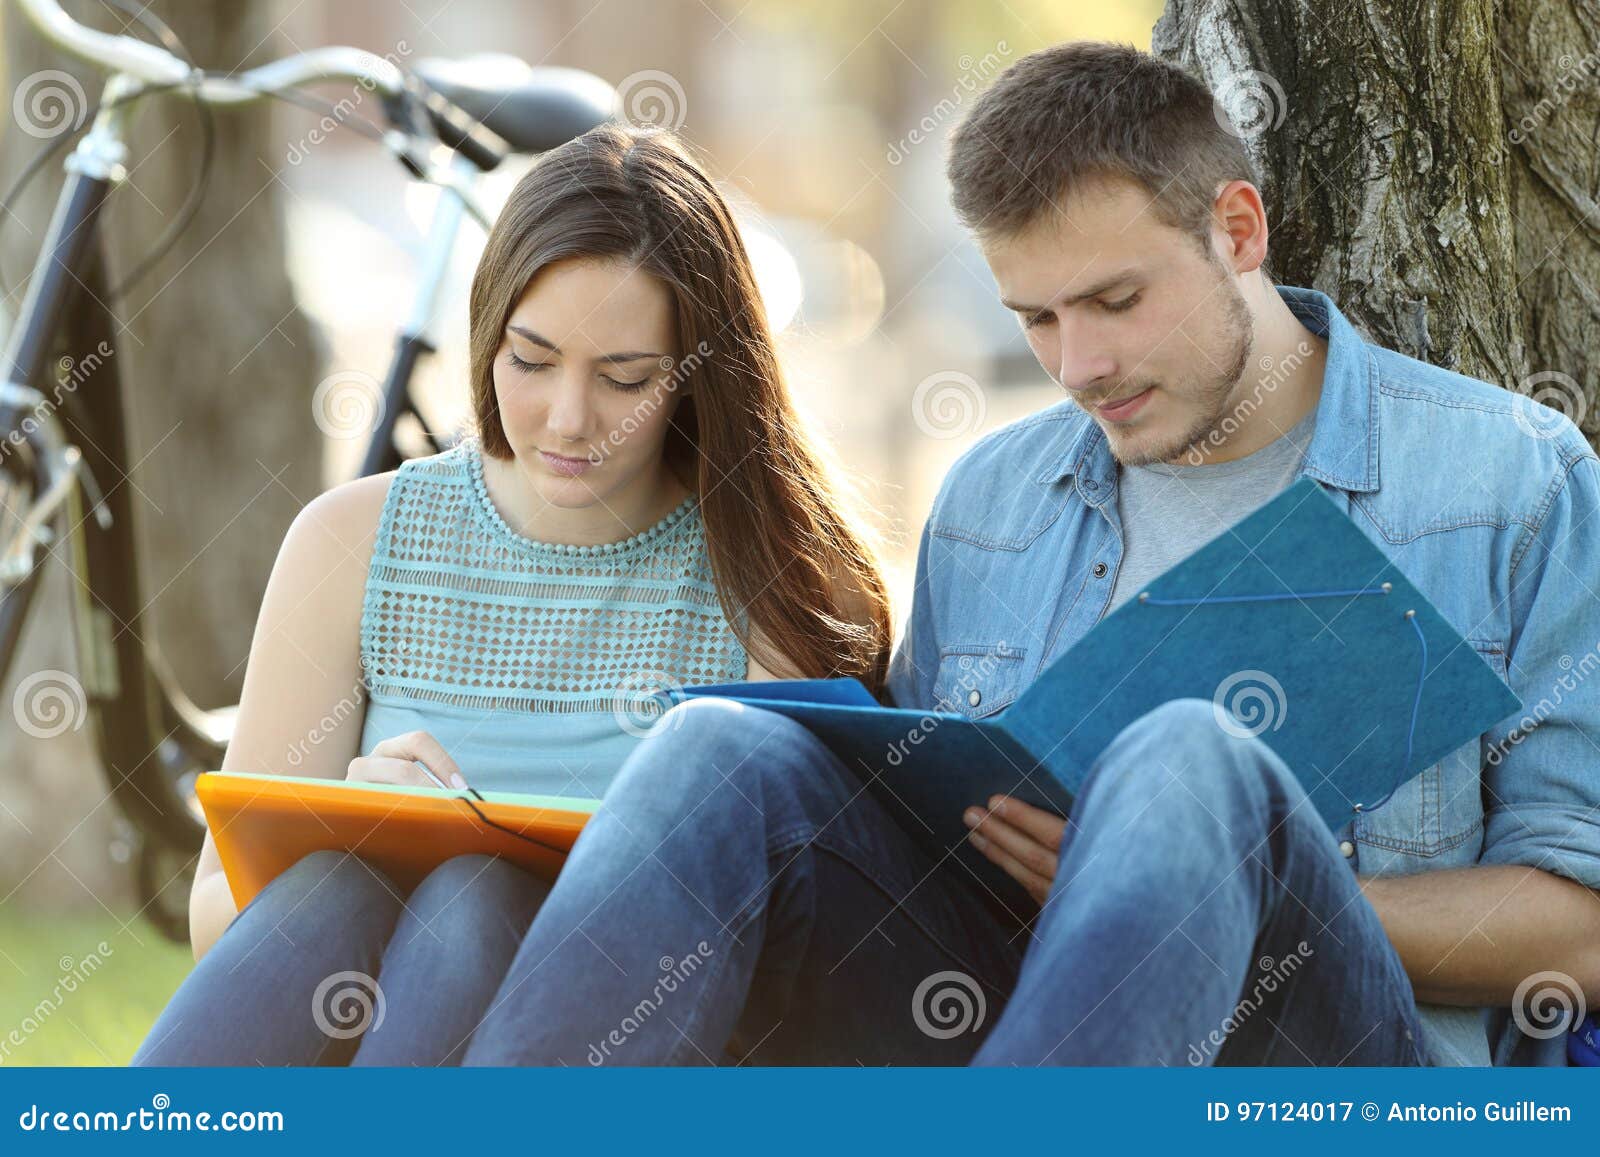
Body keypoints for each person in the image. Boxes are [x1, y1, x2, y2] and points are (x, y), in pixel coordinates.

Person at [458, 43, 1600, 1067]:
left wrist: (1198, 876)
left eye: (1115, 300)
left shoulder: (1505, 483)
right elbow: (913, 835)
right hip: (1007, 1025)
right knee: (723, 746)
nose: (1079, 364)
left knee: (1188, 761)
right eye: (1037, 319)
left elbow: (1582, 932)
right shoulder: (991, 503)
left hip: (1327, 1072)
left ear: (1238, 231)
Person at [133, 124, 891, 1066]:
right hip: (350, 1019)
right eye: (530, 361)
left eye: (625, 378)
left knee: (473, 900)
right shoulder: (349, 541)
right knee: (337, 888)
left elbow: (800, 968)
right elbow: (216, 915)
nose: (569, 419)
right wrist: (343, 832)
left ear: (701, 377)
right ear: (487, 336)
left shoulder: (778, 582)